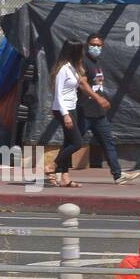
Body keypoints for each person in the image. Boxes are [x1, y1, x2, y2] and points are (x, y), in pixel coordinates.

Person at [79, 34, 139, 185]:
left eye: (99, 45)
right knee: (73, 143)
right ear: (87, 45)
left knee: (108, 143)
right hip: (84, 112)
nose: (96, 48)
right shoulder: (83, 63)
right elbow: (82, 84)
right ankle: (54, 168)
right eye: (93, 44)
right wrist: (98, 98)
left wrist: (100, 101)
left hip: (98, 114)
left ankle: (117, 175)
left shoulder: (97, 63)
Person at [49, 40, 85, 188]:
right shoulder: (63, 69)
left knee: (68, 143)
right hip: (63, 110)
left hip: (72, 108)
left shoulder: (73, 68)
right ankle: (52, 166)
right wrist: (65, 115)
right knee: (77, 143)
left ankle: (65, 177)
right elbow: (58, 95)